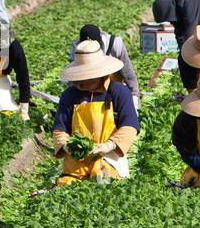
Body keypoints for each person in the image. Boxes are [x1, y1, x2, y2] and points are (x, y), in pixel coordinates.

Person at [52, 39, 140, 185]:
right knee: (66, 189)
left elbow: (130, 126)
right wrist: (69, 146)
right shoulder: (69, 95)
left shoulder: (119, 92)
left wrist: (108, 146)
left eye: (88, 76)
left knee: (104, 186)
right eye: (81, 76)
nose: (83, 81)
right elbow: (59, 130)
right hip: (76, 164)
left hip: (109, 160)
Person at [70, 24, 140, 103]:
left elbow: (128, 75)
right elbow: (74, 79)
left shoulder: (115, 45)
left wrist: (134, 97)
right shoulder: (78, 50)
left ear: (100, 40)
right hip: (87, 94)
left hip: (114, 92)